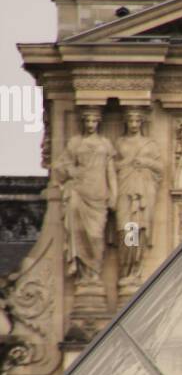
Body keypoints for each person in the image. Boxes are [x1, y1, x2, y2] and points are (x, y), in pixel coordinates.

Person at [55, 108, 117, 287]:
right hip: (80, 193)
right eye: (87, 121)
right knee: (80, 233)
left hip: (99, 195)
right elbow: (60, 166)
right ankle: (85, 276)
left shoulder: (106, 144)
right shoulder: (75, 143)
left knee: (96, 236)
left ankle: (95, 272)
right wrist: (70, 170)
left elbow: (111, 172)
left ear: (98, 122)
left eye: (93, 121)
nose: (90, 124)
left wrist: (114, 194)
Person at [115, 109, 163, 288]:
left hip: (143, 192)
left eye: (137, 121)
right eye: (131, 121)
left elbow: (159, 168)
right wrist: (126, 164)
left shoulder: (149, 144)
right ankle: (126, 270)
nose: (134, 124)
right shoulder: (119, 143)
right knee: (127, 229)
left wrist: (145, 163)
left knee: (137, 229)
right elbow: (111, 168)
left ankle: (135, 270)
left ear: (141, 122)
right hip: (125, 191)